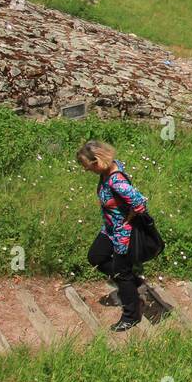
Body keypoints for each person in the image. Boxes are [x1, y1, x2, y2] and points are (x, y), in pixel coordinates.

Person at [78, 140, 149, 331]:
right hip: (110, 229)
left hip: (122, 234)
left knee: (121, 273)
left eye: (87, 166)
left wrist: (128, 220)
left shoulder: (116, 181)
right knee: (96, 256)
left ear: (97, 161)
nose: (86, 170)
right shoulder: (108, 170)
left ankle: (131, 315)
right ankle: (133, 282)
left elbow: (140, 203)